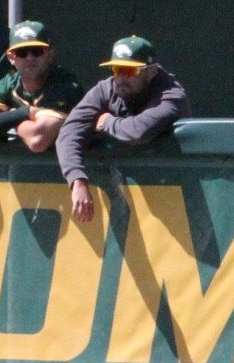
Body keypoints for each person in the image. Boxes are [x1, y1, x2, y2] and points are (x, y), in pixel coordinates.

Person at [57, 36, 191, 224]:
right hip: (133, 197)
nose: (120, 77)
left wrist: (107, 122)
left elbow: (139, 131)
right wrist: (77, 180)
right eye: (116, 69)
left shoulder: (171, 95)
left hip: (179, 195)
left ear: (151, 71)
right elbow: (69, 132)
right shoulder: (107, 88)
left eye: (129, 70)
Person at [0, 21, 82, 152]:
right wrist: (25, 112)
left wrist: (12, 119)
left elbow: (37, 141)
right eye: (21, 52)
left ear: (50, 54)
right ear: (11, 57)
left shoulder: (65, 85)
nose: (30, 58)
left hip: (75, 162)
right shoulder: (8, 84)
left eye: (37, 51)